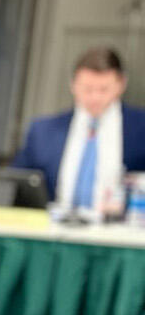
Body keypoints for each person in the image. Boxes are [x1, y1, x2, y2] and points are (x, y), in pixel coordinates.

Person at [12, 46, 145, 210]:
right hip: (54, 222)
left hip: (121, 224)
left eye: (104, 89)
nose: (95, 97)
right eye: (87, 89)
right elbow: (16, 183)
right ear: (73, 85)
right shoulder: (43, 131)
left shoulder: (141, 128)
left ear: (121, 84)